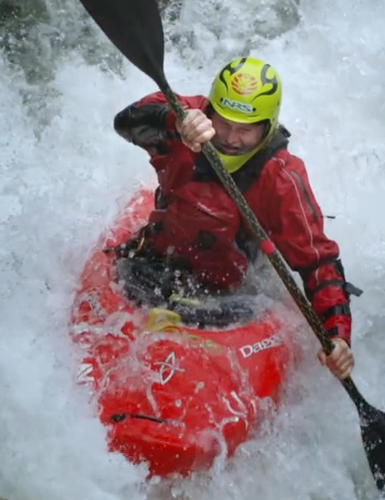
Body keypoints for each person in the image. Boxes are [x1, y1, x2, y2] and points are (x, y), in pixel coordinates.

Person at [111, 56, 362, 380]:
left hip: (225, 297)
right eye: (224, 124)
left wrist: (338, 334)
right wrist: (174, 122)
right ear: (211, 109)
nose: (230, 138)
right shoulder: (188, 117)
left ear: (267, 126)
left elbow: (317, 262)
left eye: (245, 130)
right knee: (129, 269)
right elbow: (125, 123)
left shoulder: (281, 178)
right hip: (154, 264)